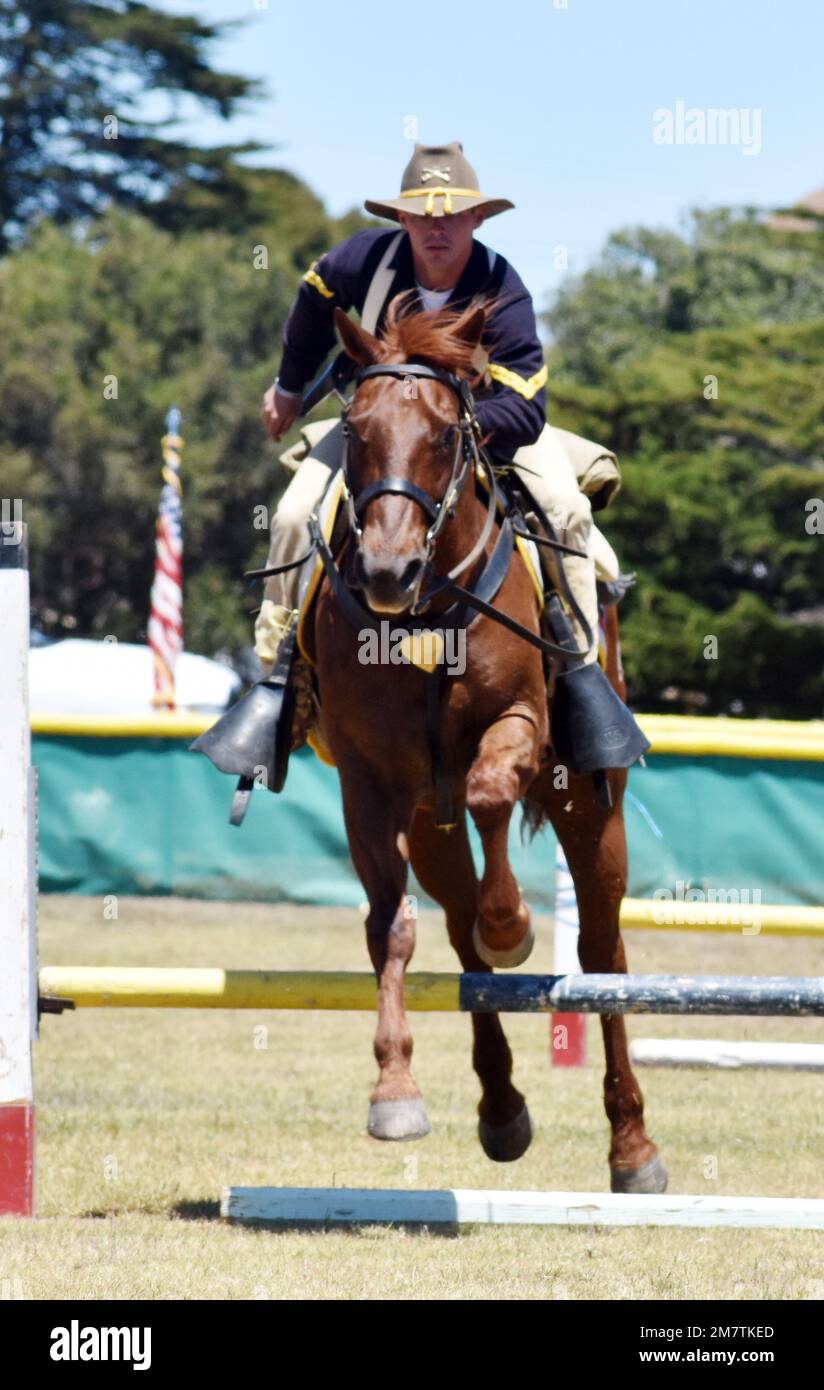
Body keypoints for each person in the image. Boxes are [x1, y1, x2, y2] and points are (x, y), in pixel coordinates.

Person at [255, 140, 615, 681]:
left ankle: (584, 679)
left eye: (451, 215)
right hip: (377, 432)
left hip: (486, 430)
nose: (436, 228)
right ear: (401, 217)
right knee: (288, 518)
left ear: (476, 217)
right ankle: (280, 677)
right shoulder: (361, 259)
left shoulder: (503, 288)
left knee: (567, 512)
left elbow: (525, 408)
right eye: (423, 216)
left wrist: (449, 428)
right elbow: (313, 301)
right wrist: (287, 386)